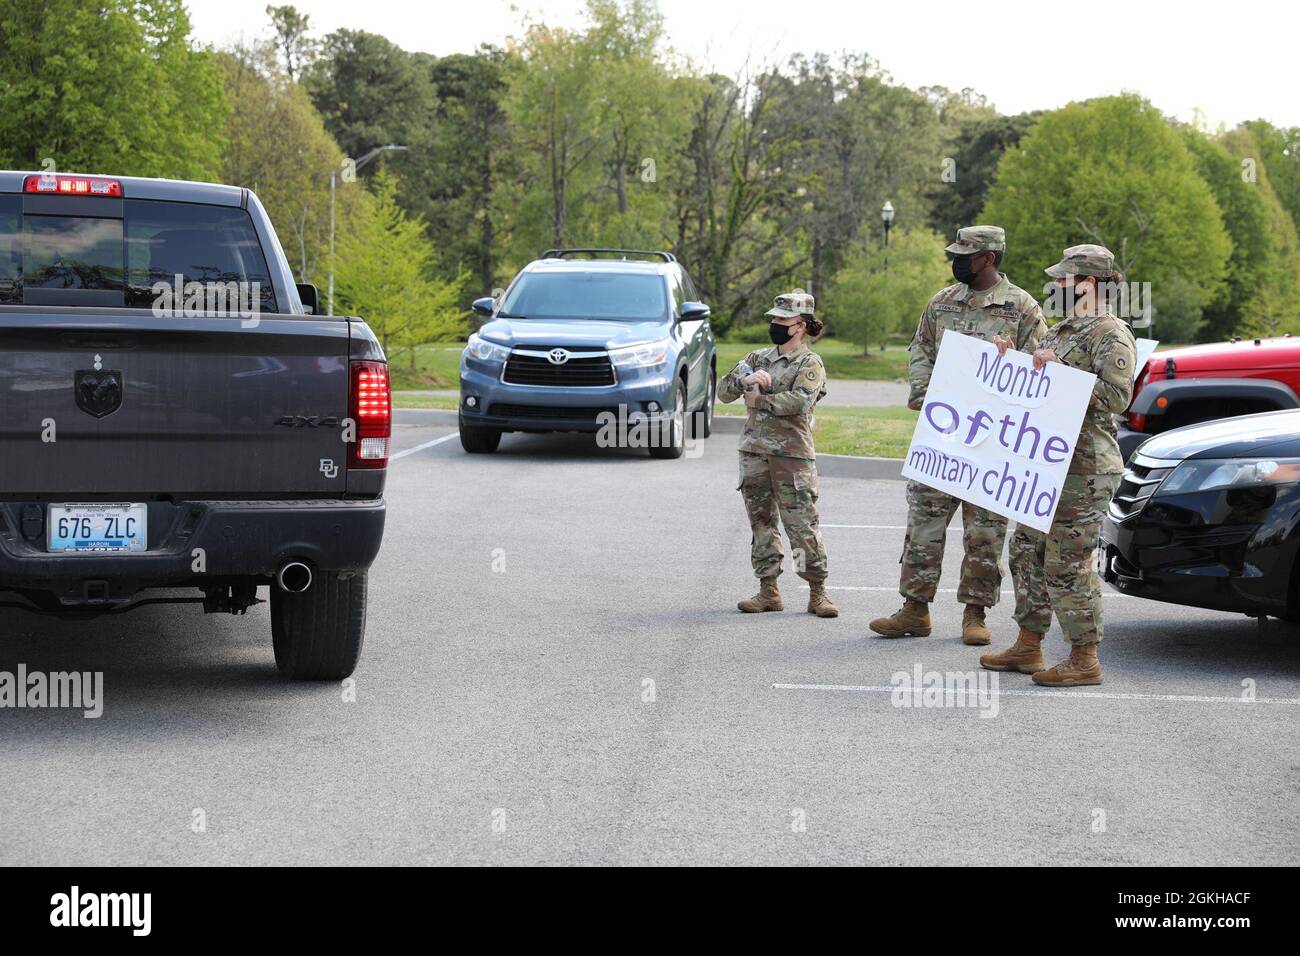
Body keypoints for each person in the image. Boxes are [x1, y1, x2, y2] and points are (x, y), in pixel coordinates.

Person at [870, 226, 1048, 645]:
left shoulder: (1022, 307)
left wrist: (1015, 360)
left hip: (991, 440)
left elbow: (1041, 371)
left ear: (988, 257)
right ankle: (915, 609)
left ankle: (975, 613)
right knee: (923, 522)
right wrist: (922, 390)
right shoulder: (942, 302)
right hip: (943, 434)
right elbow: (921, 349)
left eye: (965, 254)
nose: (956, 261)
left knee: (984, 530)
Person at [980, 244, 1136, 686]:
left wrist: (1062, 370)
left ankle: (1084, 657)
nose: (1056, 287)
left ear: (1087, 284)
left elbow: (1117, 397)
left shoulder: (1111, 332)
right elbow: (1041, 381)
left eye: (1064, 280)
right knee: (1026, 551)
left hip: (1086, 469)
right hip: (1047, 462)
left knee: (1066, 562)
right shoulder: (1061, 330)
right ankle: (1029, 645)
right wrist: (1008, 361)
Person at [717, 289, 837, 618]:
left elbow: (801, 402)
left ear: (800, 325)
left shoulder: (810, 362)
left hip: (792, 456)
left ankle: (817, 591)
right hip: (755, 452)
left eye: (782, 320)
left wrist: (763, 397)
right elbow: (722, 392)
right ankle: (768, 590)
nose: (775, 324)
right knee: (762, 524)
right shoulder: (757, 357)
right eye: (774, 319)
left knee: (801, 526)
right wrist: (745, 380)